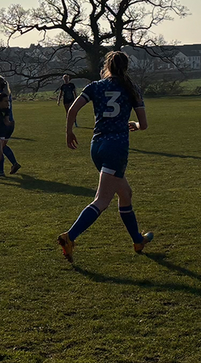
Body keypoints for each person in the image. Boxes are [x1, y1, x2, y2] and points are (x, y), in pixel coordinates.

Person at [56, 51, 153, 262]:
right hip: (116, 148)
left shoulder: (95, 86)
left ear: (107, 65)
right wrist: (134, 125)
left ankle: (138, 240)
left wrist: (69, 133)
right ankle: (69, 236)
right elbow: (143, 125)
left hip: (96, 146)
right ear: (126, 67)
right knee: (101, 200)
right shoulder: (131, 88)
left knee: (125, 193)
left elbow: (72, 110)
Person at [0, 75, 21, 175]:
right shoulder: (6, 94)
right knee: (2, 146)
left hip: (1, 124)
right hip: (10, 123)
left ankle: (1, 171)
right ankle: (13, 164)